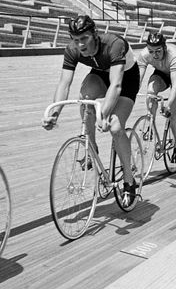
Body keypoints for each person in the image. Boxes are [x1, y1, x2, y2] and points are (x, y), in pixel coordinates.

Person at [43, 15, 140, 206]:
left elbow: (116, 86)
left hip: (125, 79)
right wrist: (54, 113)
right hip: (100, 75)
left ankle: (129, 180)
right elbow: (64, 83)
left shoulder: (114, 44)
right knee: (86, 99)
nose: (79, 45)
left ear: (95, 34)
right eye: (75, 39)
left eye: (84, 39)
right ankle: (91, 148)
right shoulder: (72, 49)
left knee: (115, 127)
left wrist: (103, 114)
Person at [135, 31, 176, 164]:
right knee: (150, 91)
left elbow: (175, 86)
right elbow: (137, 80)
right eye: (151, 51)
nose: (154, 55)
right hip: (161, 73)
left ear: (164, 47)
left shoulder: (174, 55)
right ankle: (150, 125)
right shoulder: (144, 54)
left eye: (158, 51)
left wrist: (169, 105)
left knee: (172, 113)